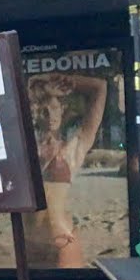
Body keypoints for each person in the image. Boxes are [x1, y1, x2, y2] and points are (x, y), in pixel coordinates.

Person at [24, 73, 108, 268]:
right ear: (35, 111)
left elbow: (100, 87)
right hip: (30, 242)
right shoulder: (26, 148)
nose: (49, 114)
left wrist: (61, 80)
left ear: (62, 111)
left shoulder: (72, 148)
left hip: (62, 239)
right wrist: (37, 83)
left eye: (54, 108)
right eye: (43, 109)